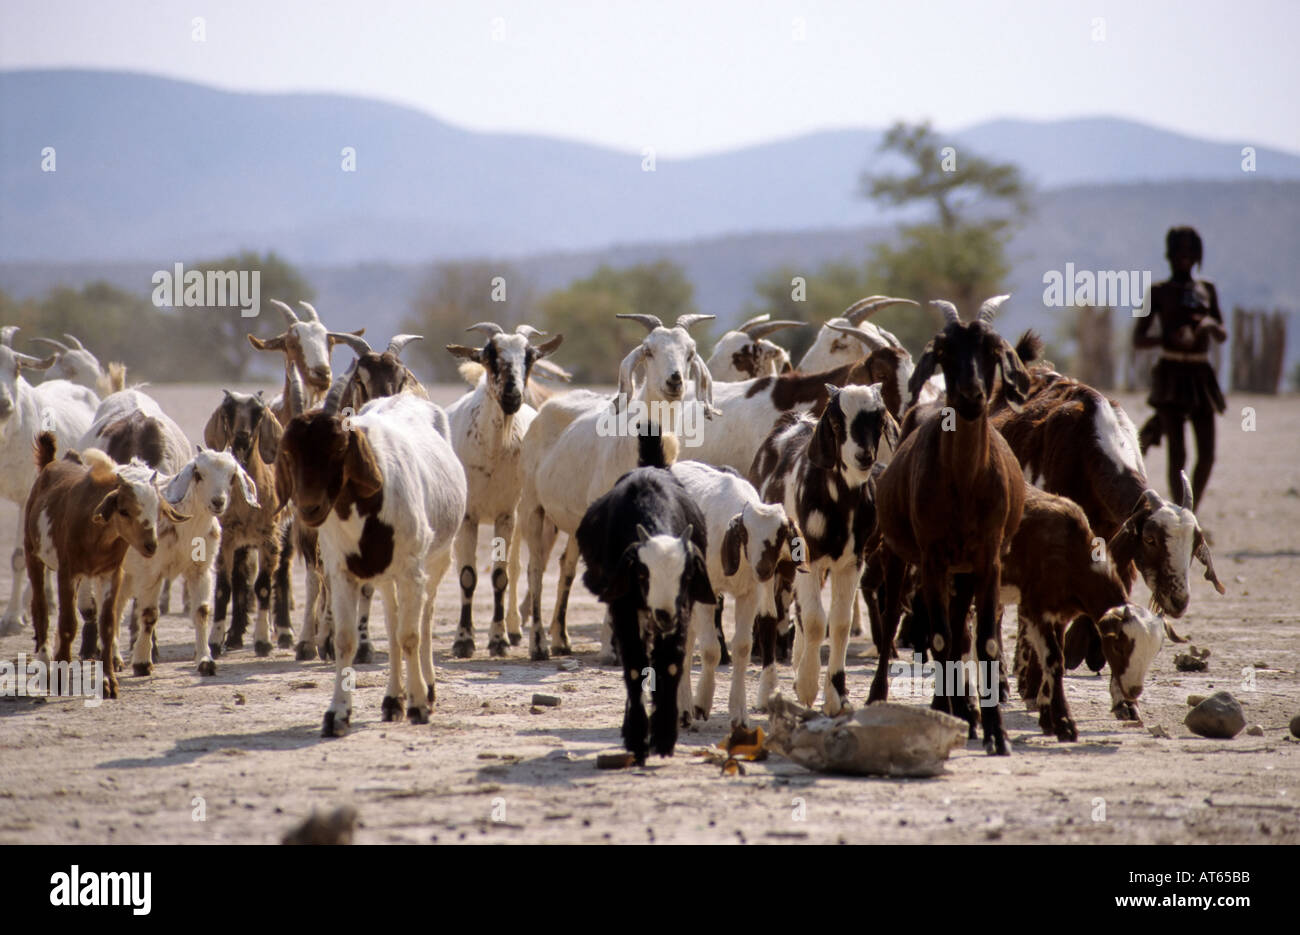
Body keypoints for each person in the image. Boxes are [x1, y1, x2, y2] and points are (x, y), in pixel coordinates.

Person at [1134, 226, 1227, 507]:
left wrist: (1208, 325)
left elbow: (1222, 333)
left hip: (1200, 375)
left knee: (1208, 453)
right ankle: (1181, 511)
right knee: (1178, 453)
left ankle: (1192, 509)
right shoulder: (1158, 292)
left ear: (1198, 255)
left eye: (1190, 252)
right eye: (1179, 252)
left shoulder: (1207, 289)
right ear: (1170, 255)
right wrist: (1167, 337)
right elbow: (1139, 338)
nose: (1184, 257)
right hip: (1171, 373)